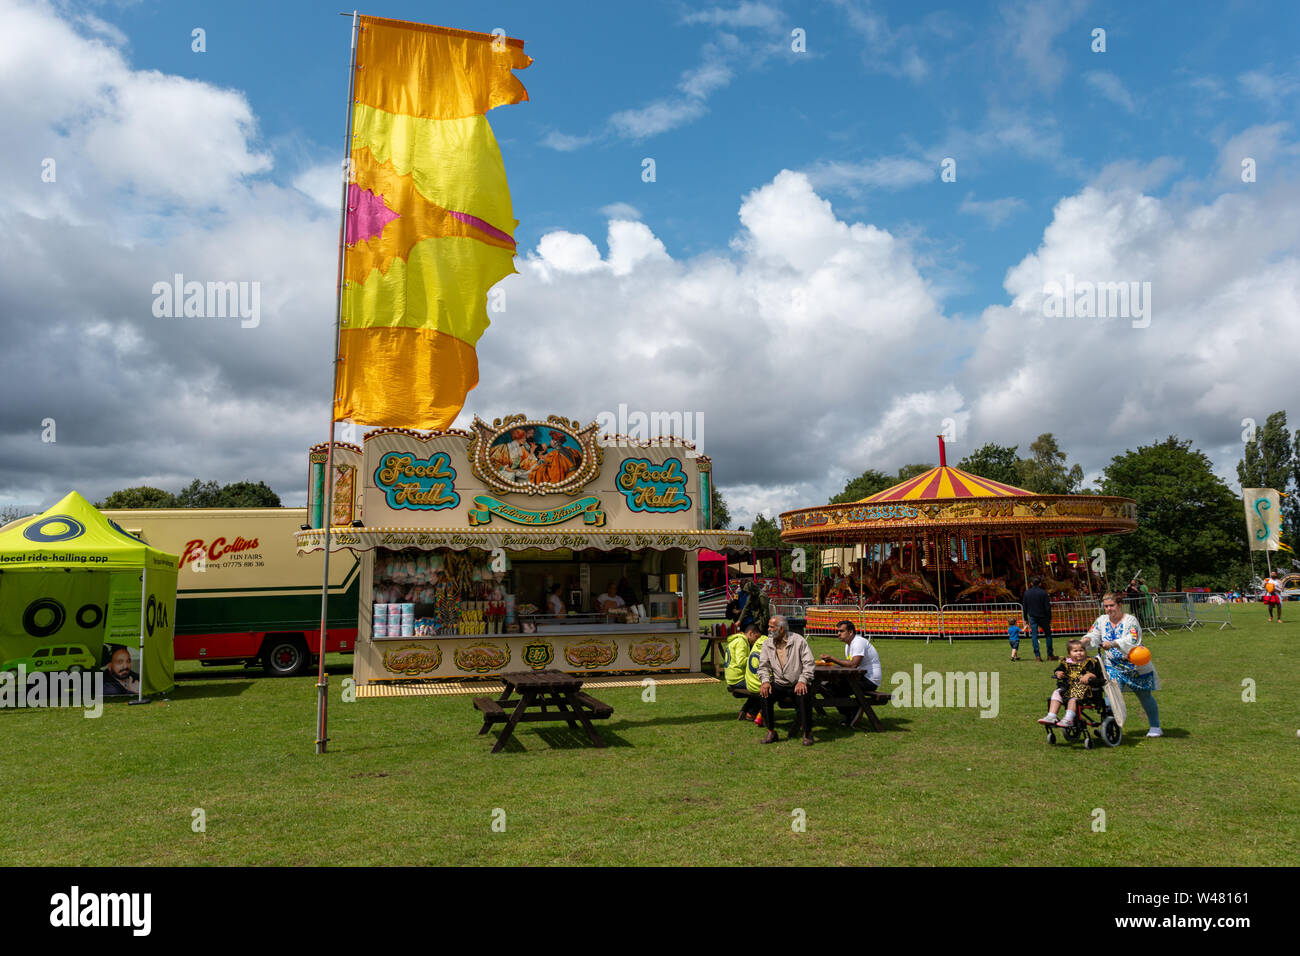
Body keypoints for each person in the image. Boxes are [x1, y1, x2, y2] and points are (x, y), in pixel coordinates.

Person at [1085, 591, 1163, 737]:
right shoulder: (1101, 620)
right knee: (1111, 697)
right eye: (1106, 606)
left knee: (1144, 695)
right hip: (1112, 666)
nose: (1109, 609)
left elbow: (1133, 639)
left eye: (1112, 605)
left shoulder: (1130, 620)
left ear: (1120, 605)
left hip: (1135, 666)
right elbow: (1093, 634)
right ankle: (1110, 728)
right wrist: (1084, 641)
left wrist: (1114, 643)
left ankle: (1155, 726)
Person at [756, 615, 815, 745]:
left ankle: (807, 733)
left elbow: (809, 663)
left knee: (804, 695)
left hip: (796, 683)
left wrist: (803, 680)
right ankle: (771, 731)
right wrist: (765, 681)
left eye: (772, 627)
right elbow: (763, 666)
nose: (769, 630)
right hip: (779, 684)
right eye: (769, 627)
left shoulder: (798, 640)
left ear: (781, 629)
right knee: (764, 695)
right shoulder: (767, 643)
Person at [819, 621, 882, 726]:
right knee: (829, 686)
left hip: (870, 680)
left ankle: (852, 712)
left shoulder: (858, 642)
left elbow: (853, 665)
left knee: (834, 687)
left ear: (851, 632)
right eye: (838, 631)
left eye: (841, 631)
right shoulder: (848, 645)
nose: (838, 633)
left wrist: (832, 659)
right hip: (860, 677)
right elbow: (850, 666)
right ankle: (851, 713)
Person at [1036, 639, 1103, 727]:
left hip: (1086, 690)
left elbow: (1097, 673)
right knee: (1057, 693)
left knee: (1073, 699)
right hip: (1068, 687)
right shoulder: (1066, 663)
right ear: (1069, 653)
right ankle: (1051, 716)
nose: (1079, 653)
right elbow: (1058, 670)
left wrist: (1088, 675)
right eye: (1075, 651)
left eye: (1081, 650)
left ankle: (1068, 719)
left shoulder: (1090, 662)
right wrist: (1058, 673)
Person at [725, 624, 762, 719]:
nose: (756, 641)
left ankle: (744, 710)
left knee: (755, 687)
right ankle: (752, 713)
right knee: (761, 687)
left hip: (732, 678)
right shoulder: (741, 642)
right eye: (756, 637)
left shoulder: (736, 640)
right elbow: (741, 662)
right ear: (750, 633)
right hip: (738, 679)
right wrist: (755, 659)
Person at [1021, 576, 1055, 661]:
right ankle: (1050, 655)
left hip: (1032, 617)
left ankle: (1037, 656)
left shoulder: (1026, 593)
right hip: (1043, 616)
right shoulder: (1043, 593)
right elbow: (1047, 607)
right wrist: (1049, 617)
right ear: (1040, 583)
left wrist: (1025, 618)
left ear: (1031, 583)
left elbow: (1024, 607)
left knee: (1034, 636)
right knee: (1048, 635)